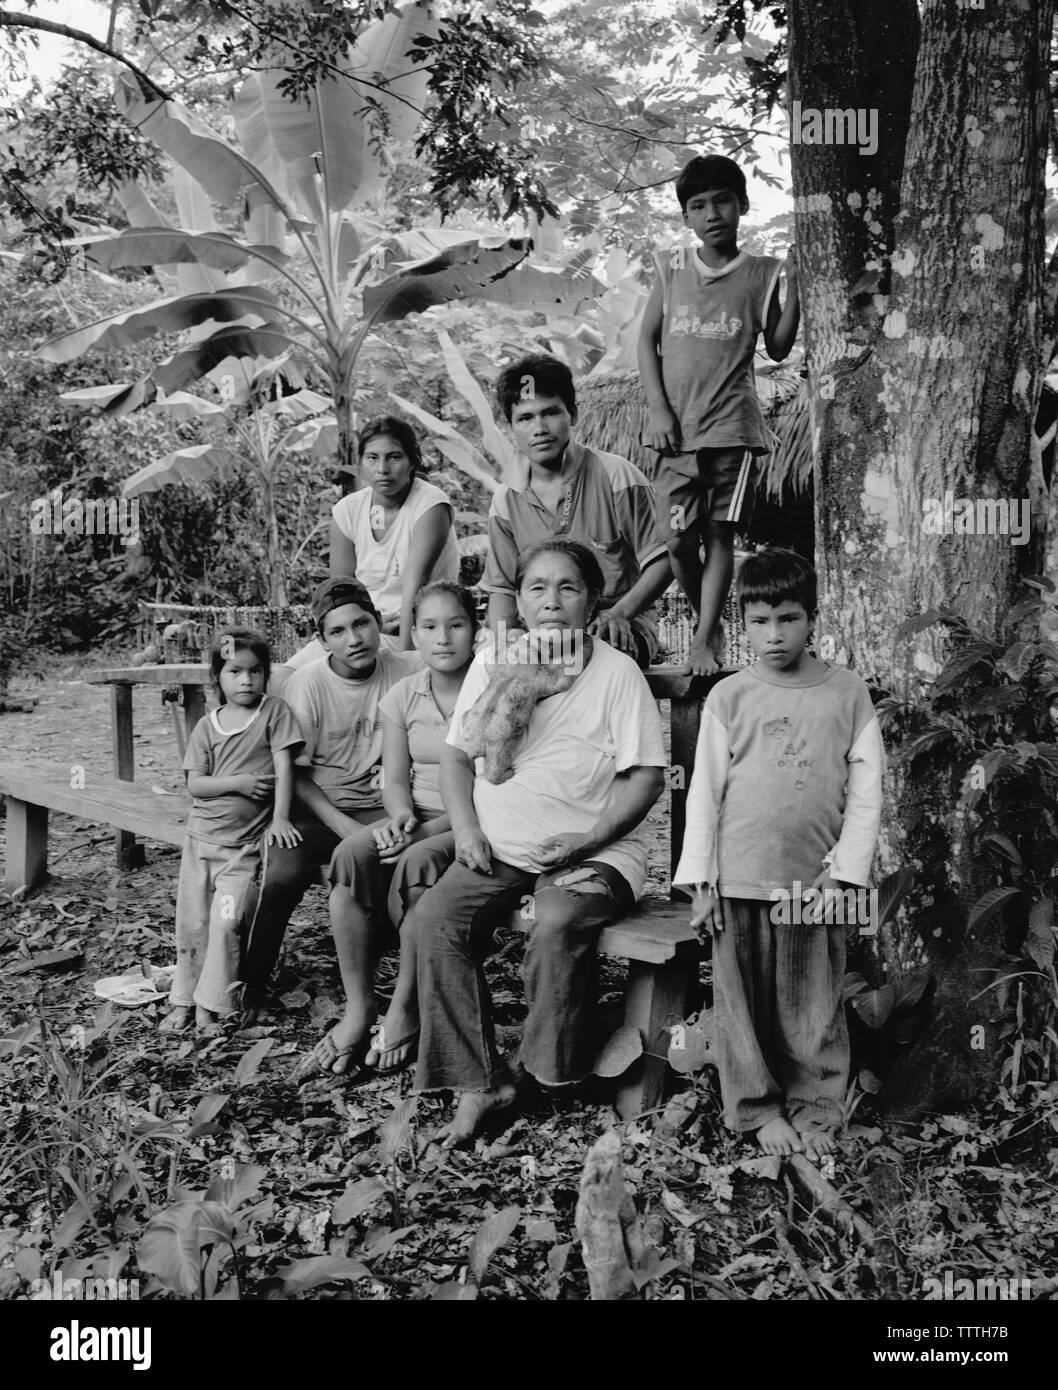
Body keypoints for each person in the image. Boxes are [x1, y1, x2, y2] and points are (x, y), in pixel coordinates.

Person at [408, 538, 667, 1147]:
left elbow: (646, 778)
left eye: (568, 588)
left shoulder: (615, 674)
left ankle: (541, 1074)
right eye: (537, 589)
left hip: (598, 852)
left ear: (592, 601)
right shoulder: (495, 664)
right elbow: (454, 760)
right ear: (519, 602)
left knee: (554, 918)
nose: (552, 602)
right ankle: (479, 1080)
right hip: (498, 850)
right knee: (434, 920)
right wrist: (467, 829)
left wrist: (589, 838)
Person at [673, 549, 884, 1159]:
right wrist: (701, 882)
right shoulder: (731, 697)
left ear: (812, 618)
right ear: (741, 619)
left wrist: (845, 876)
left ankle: (817, 1106)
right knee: (739, 1002)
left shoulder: (847, 694)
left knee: (813, 1002)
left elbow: (867, 794)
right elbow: (704, 795)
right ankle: (757, 1107)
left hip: (812, 883)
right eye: (759, 620)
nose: (774, 634)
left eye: (788, 619)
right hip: (738, 877)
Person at [637, 154, 800, 678]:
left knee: (719, 537)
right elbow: (647, 341)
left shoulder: (762, 273)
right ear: (687, 216)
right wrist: (659, 409)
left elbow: (776, 348)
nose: (713, 213)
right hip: (675, 434)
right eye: (699, 205)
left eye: (723, 201)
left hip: (733, 428)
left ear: (742, 205)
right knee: (679, 541)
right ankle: (709, 622)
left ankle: (705, 636)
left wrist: (794, 287)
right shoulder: (672, 266)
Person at [306, 581, 477, 1077]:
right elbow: (396, 780)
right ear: (413, 636)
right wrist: (400, 816)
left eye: (456, 625)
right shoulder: (404, 695)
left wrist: (425, 833)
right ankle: (358, 1009)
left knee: (417, 867)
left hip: (468, 820)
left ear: (476, 630)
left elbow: (492, 789)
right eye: (429, 627)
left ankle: (404, 1007)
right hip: (417, 817)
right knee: (352, 856)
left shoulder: (490, 692)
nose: (443, 638)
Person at [239, 577, 422, 1006]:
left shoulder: (409, 668)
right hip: (318, 807)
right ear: (322, 641)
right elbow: (295, 772)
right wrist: (339, 823)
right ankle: (249, 985)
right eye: (337, 632)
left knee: (402, 867)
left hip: (382, 804)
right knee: (280, 875)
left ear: (380, 623)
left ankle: (381, 985)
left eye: (362, 624)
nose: (354, 640)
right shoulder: (309, 684)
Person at [482, 354, 672, 669]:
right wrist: (505, 639)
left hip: (617, 624)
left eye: (551, 413)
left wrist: (620, 612)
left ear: (572, 414)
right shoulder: (505, 500)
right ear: (509, 427)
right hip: (543, 630)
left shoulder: (616, 477)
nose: (539, 428)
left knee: (584, 656)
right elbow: (502, 587)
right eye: (525, 418)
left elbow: (665, 559)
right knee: (498, 663)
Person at [162, 629, 304, 1035]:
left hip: (241, 851)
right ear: (217, 678)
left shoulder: (274, 713)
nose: (246, 681)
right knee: (193, 924)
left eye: (256, 671)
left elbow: (286, 766)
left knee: (226, 923)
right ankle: (184, 1000)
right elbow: (196, 785)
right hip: (200, 843)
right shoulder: (207, 726)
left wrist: (280, 817)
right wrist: (238, 783)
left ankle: (214, 1006)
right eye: (235, 671)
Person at [287, 416, 460, 667]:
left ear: (413, 462)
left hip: (422, 626)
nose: (382, 468)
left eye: (394, 457)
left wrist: (405, 652)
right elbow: (342, 592)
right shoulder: (347, 510)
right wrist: (367, 628)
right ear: (360, 464)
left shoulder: (430, 504)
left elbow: (415, 582)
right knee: (286, 676)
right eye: (372, 458)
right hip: (364, 629)